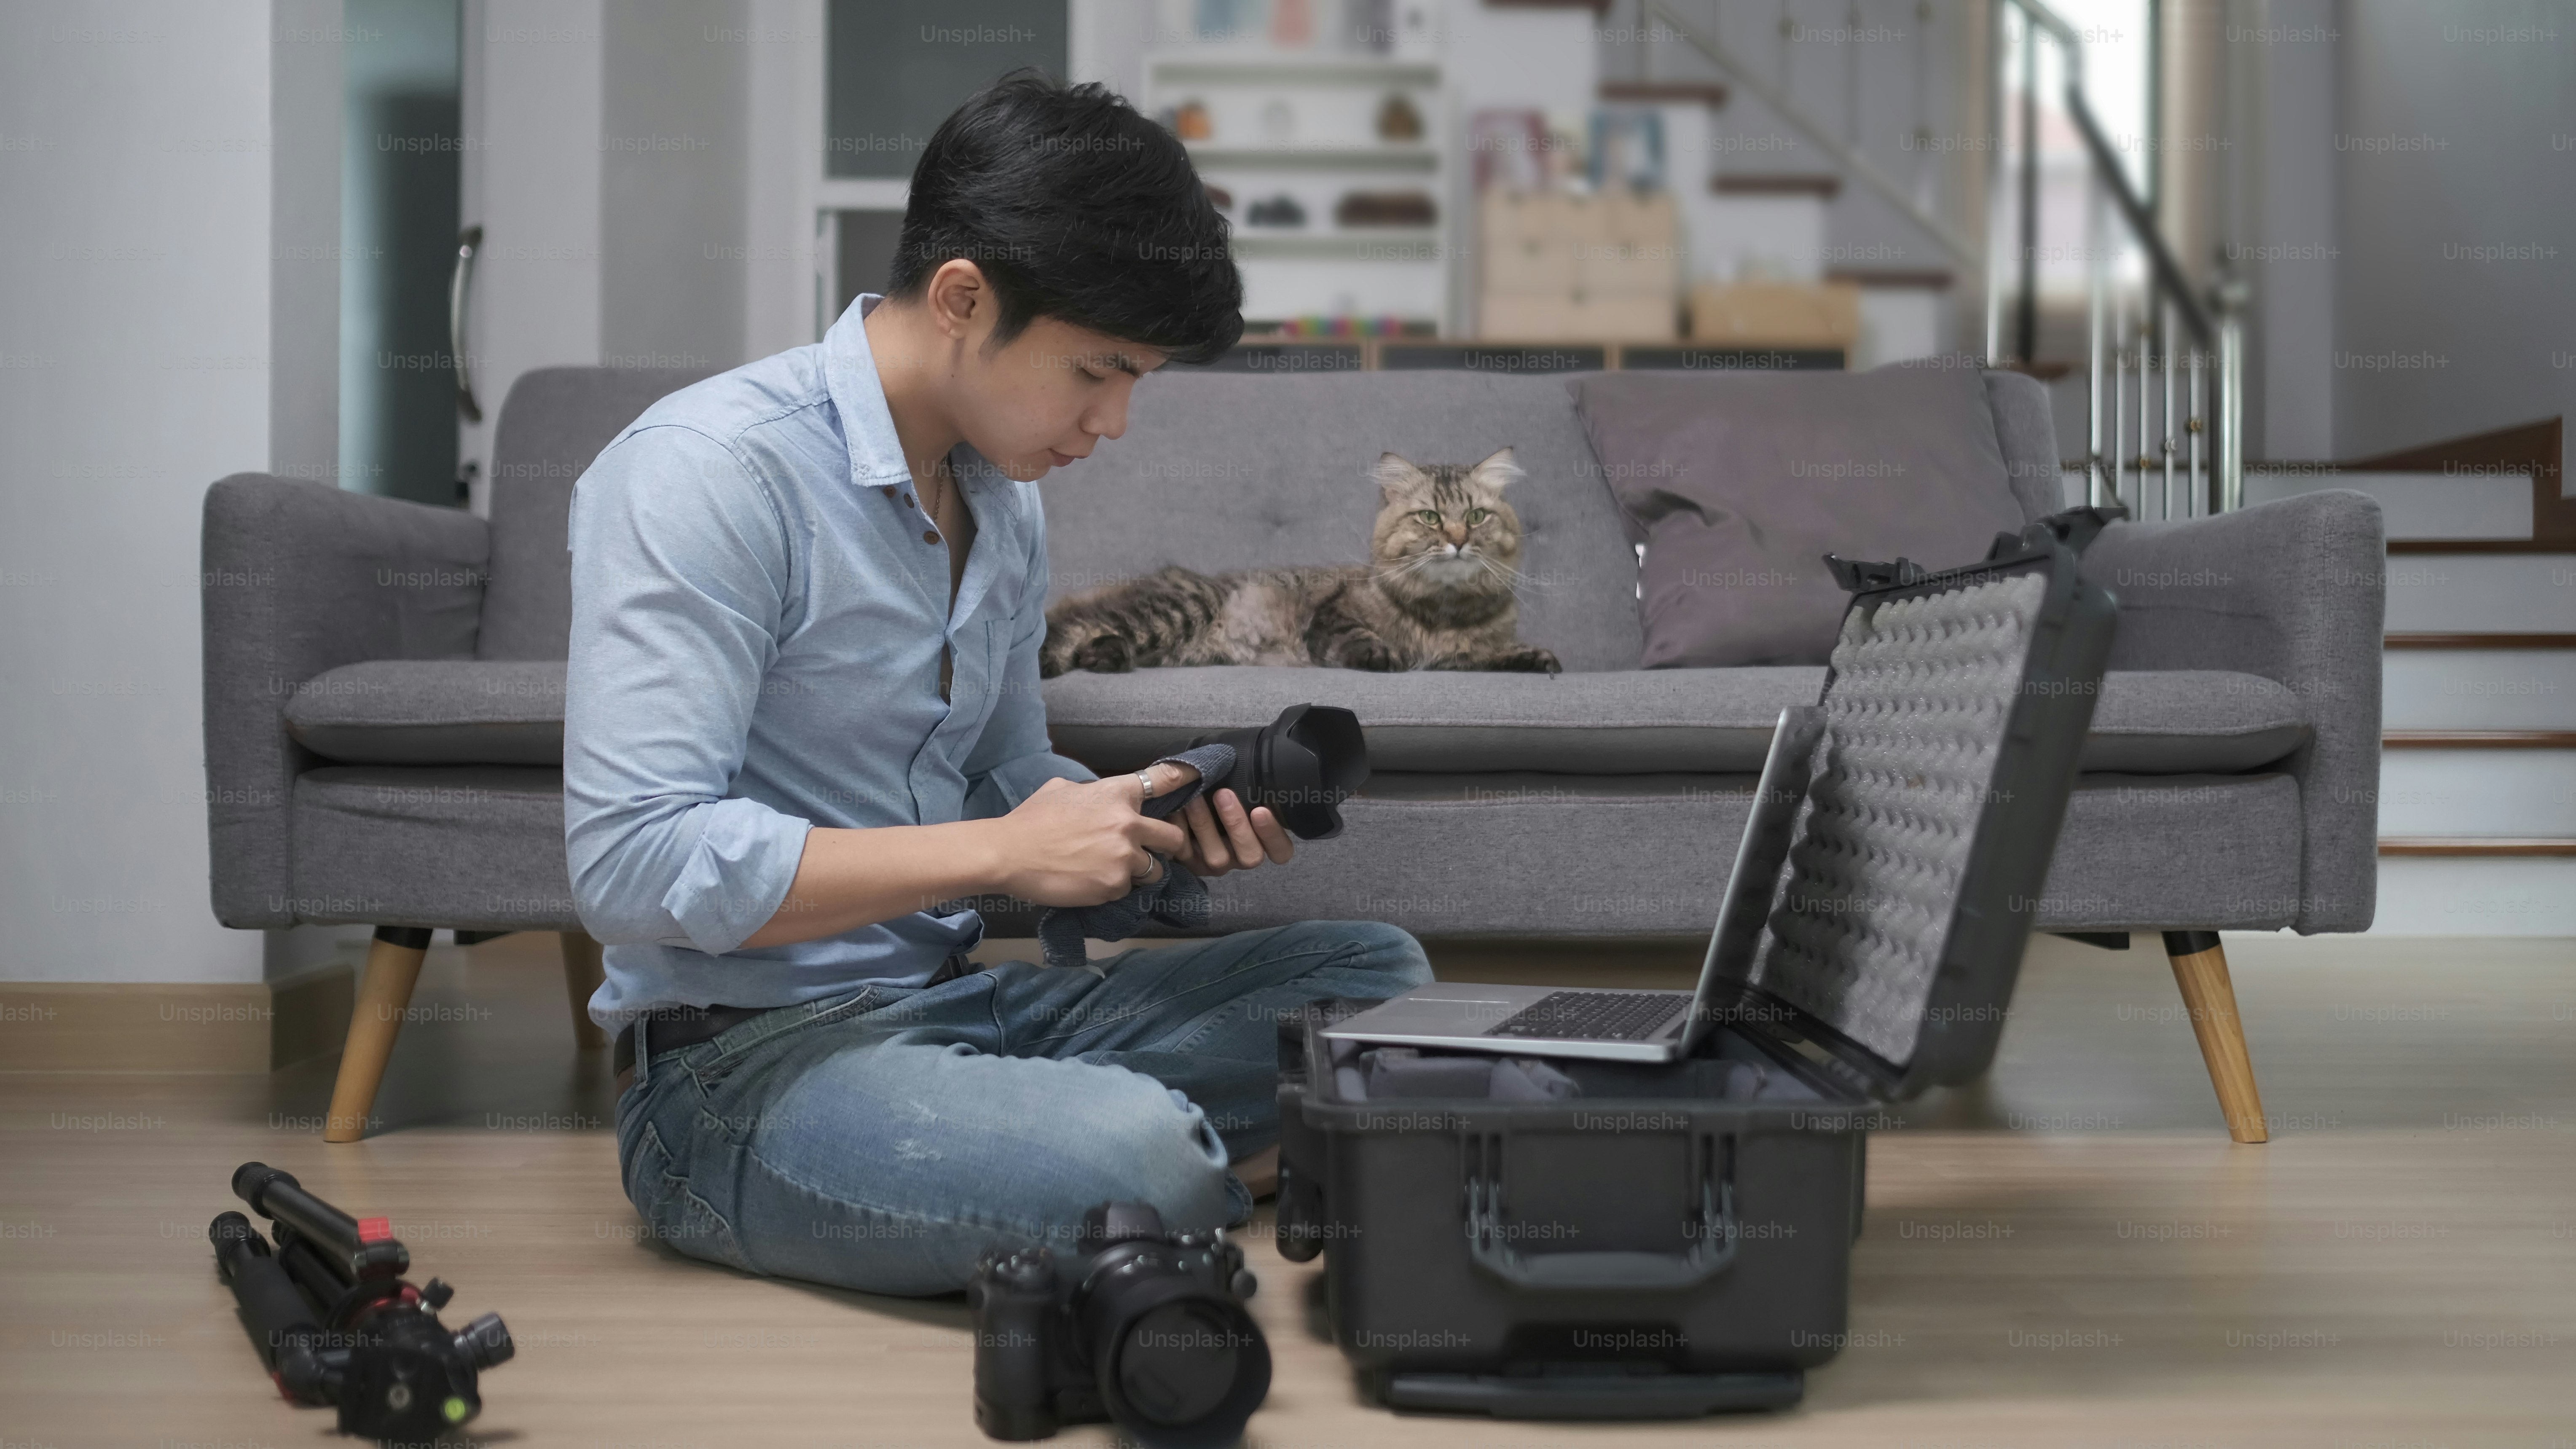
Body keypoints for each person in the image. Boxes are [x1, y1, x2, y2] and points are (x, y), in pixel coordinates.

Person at [562, 70, 1432, 1295]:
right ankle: (1177, 1177)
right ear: (965, 298)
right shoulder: (707, 476)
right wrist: (999, 855)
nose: (1115, 421)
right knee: (1135, 1154)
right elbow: (632, 865)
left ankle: (1115, 1185)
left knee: (1376, 984)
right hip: (743, 1069)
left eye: (1139, 381)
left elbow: (1004, 774)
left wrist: (1145, 833)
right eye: (1099, 370)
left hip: (966, 1011)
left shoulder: (1001, 502)